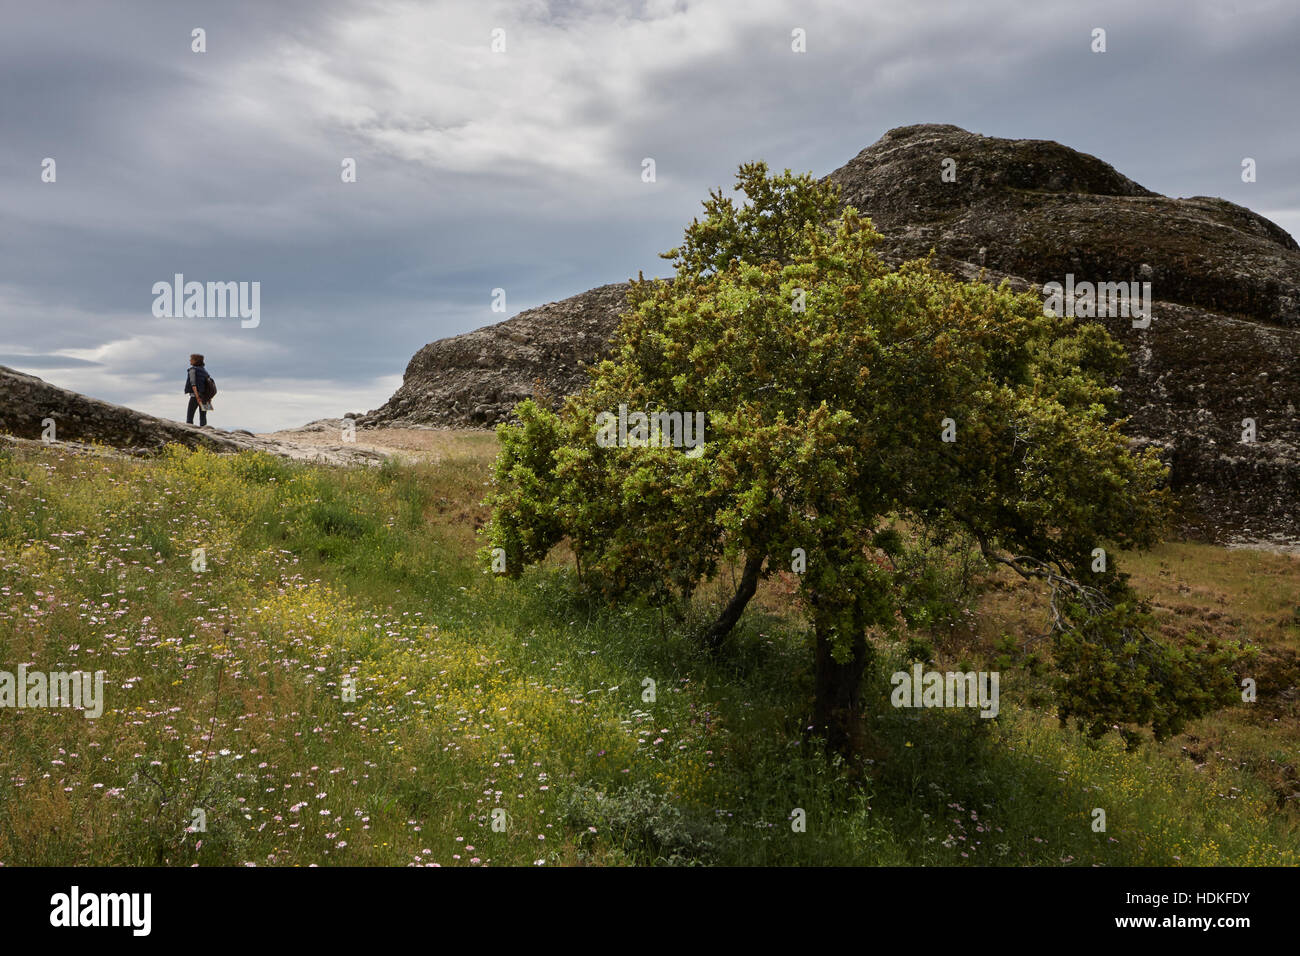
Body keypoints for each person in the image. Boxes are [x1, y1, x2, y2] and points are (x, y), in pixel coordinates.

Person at [185, 353, 213, 427]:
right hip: (206, 396)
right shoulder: (204, 371)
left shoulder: (192, 370)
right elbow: (209, 385)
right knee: (203, 418)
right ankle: (205, 433)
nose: (189, 360)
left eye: (191, 359)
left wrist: (197, 396)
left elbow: (193, 384)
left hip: (195, 396)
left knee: (190, 417)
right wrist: (209, 398)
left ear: (195, 361)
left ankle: (189, 434)